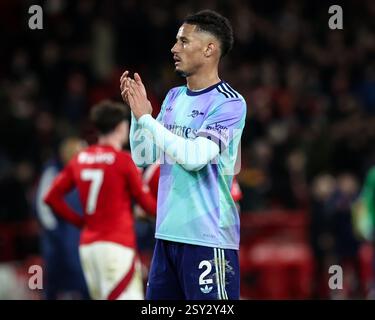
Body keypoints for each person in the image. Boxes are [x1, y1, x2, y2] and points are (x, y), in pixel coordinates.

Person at [120, 10, 247, 300]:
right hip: (167, 236)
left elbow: (195, 158)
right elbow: (144, 155)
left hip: (207, 238)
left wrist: (147, 120)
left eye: (183, 41)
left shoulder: (229, 102)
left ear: (209, 49)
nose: (174, 49)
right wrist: (137, 114)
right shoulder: (174, 97)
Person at [44, 100, 157, 300]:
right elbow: (145, 202)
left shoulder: (81, 158)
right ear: (121, 127)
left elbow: (51, 197)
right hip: (116, 246)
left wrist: (80, 221)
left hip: (89, 247)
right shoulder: (123, 160)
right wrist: (169, 214)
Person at [35, 137, 90, 300]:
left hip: (76, 232)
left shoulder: (82, 172)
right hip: (58, 233)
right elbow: (43, 206)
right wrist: (54, 231)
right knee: (54, 278)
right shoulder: (53, 171)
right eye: (79, 153)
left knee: (82, 276)